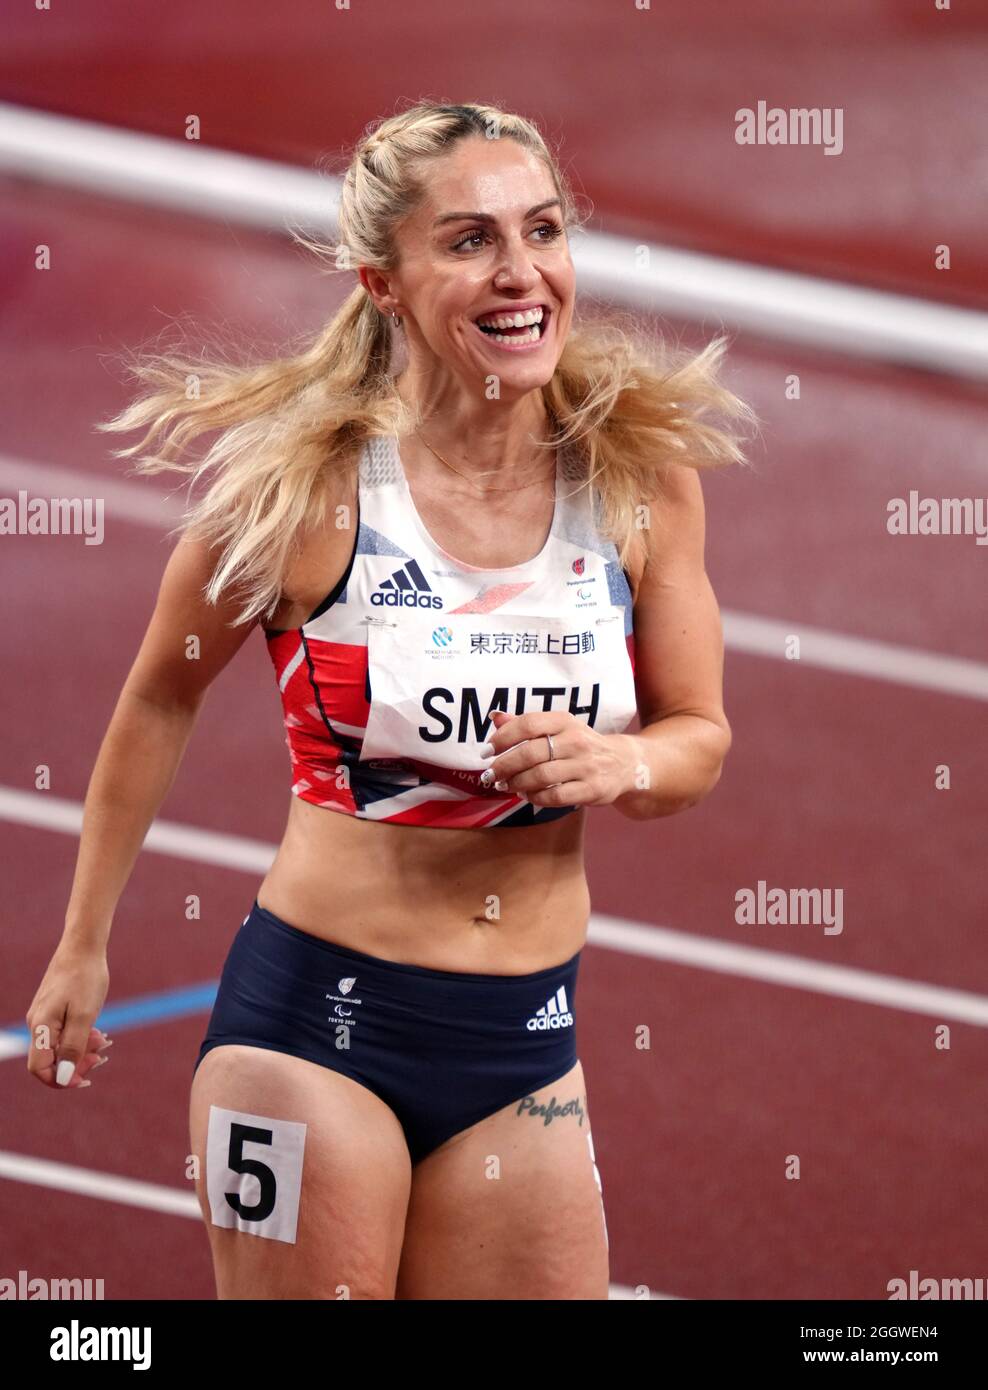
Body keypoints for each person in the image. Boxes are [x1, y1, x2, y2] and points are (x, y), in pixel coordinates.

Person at [24, 101, 754, 1300]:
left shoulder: (637, 478)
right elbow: (159, 696)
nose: (521, 273)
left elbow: (697, 741)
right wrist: (81, 945)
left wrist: (615, 765)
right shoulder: (307, 497)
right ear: (384, 282)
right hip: (313, 1032)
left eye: (544, 230)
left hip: (525, 1044)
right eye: (469, 241)